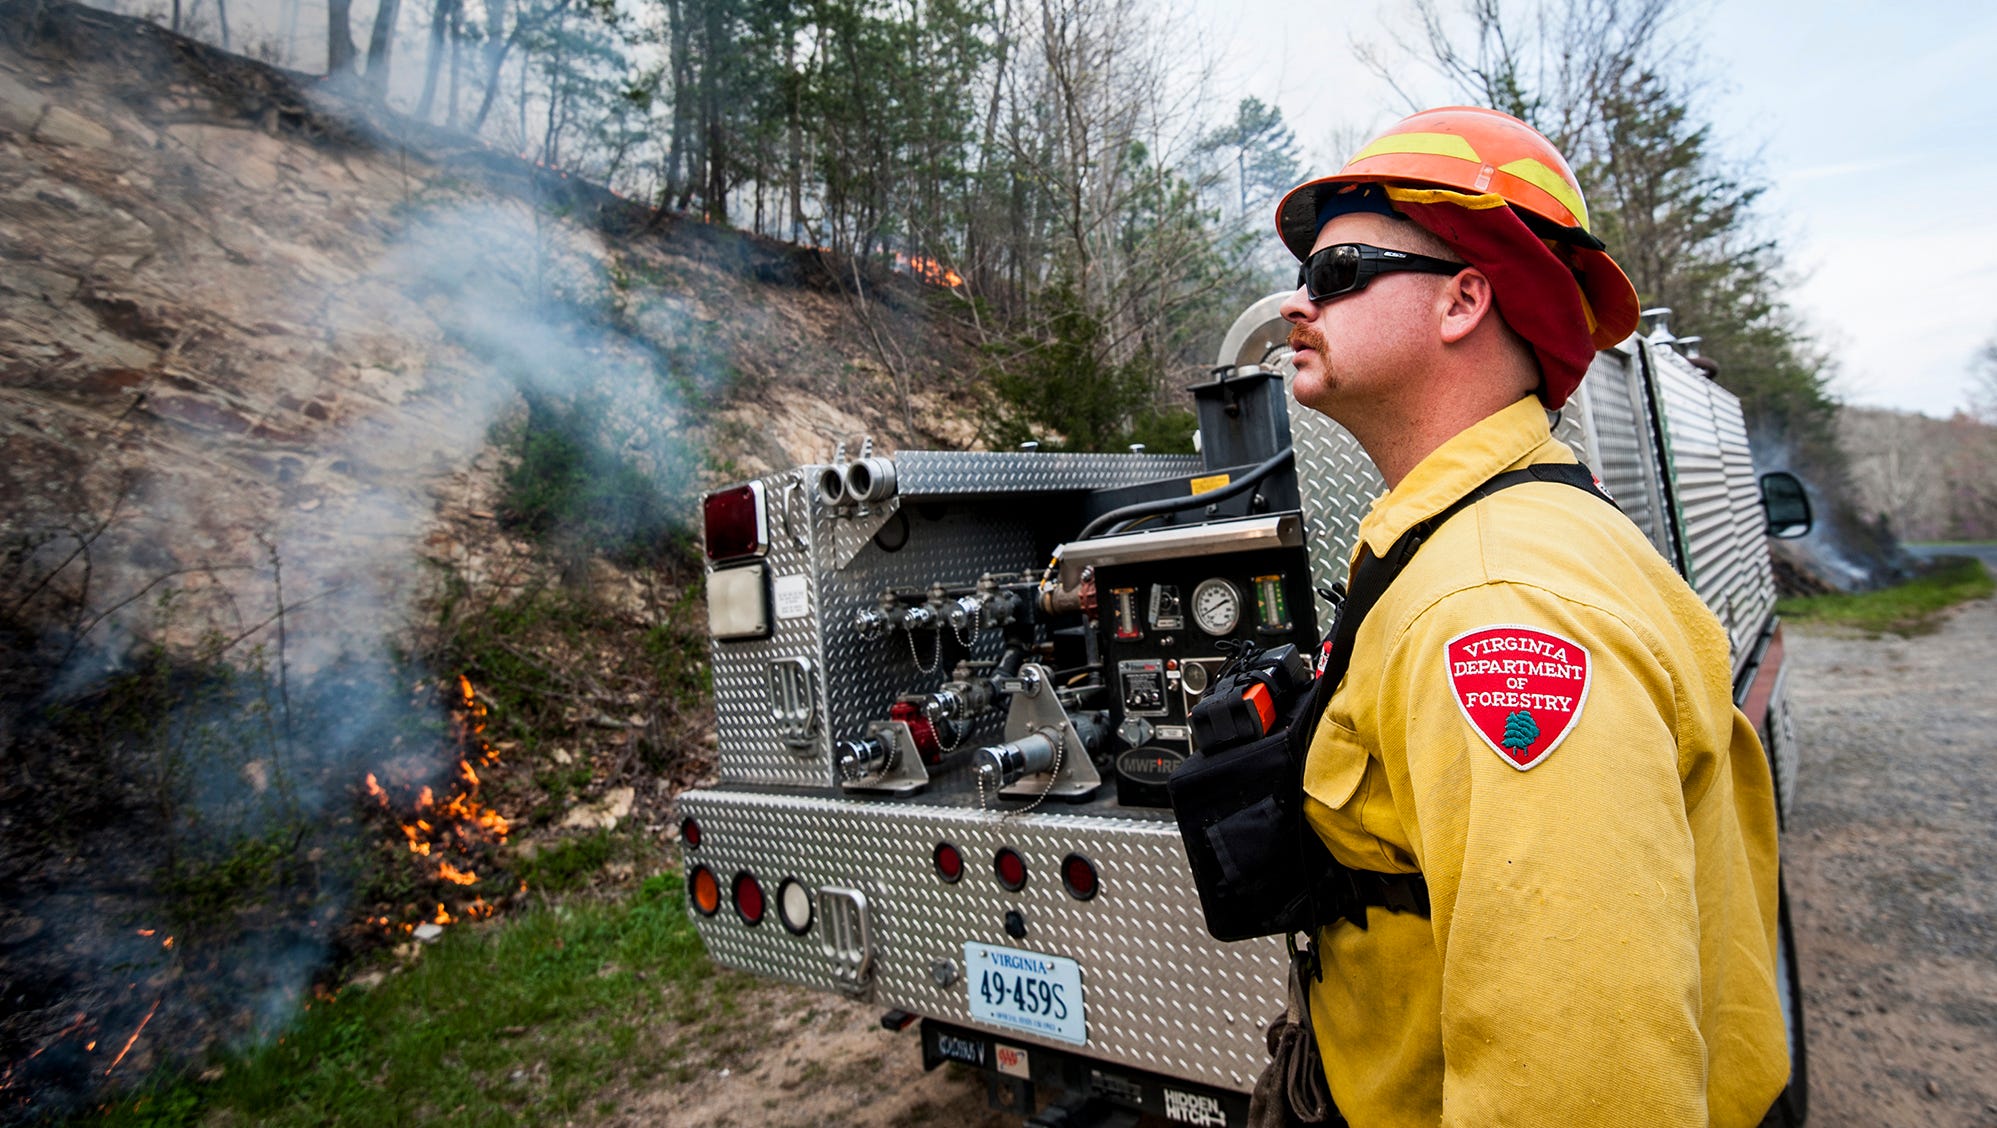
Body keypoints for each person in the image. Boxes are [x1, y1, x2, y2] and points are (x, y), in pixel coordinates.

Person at [1271, 106, 1789, 1126]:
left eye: (1334, 275)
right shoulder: (1497, 534)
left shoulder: (1497, 605)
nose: (1295, 304)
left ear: (1463, 299)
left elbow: (1582, 1082)